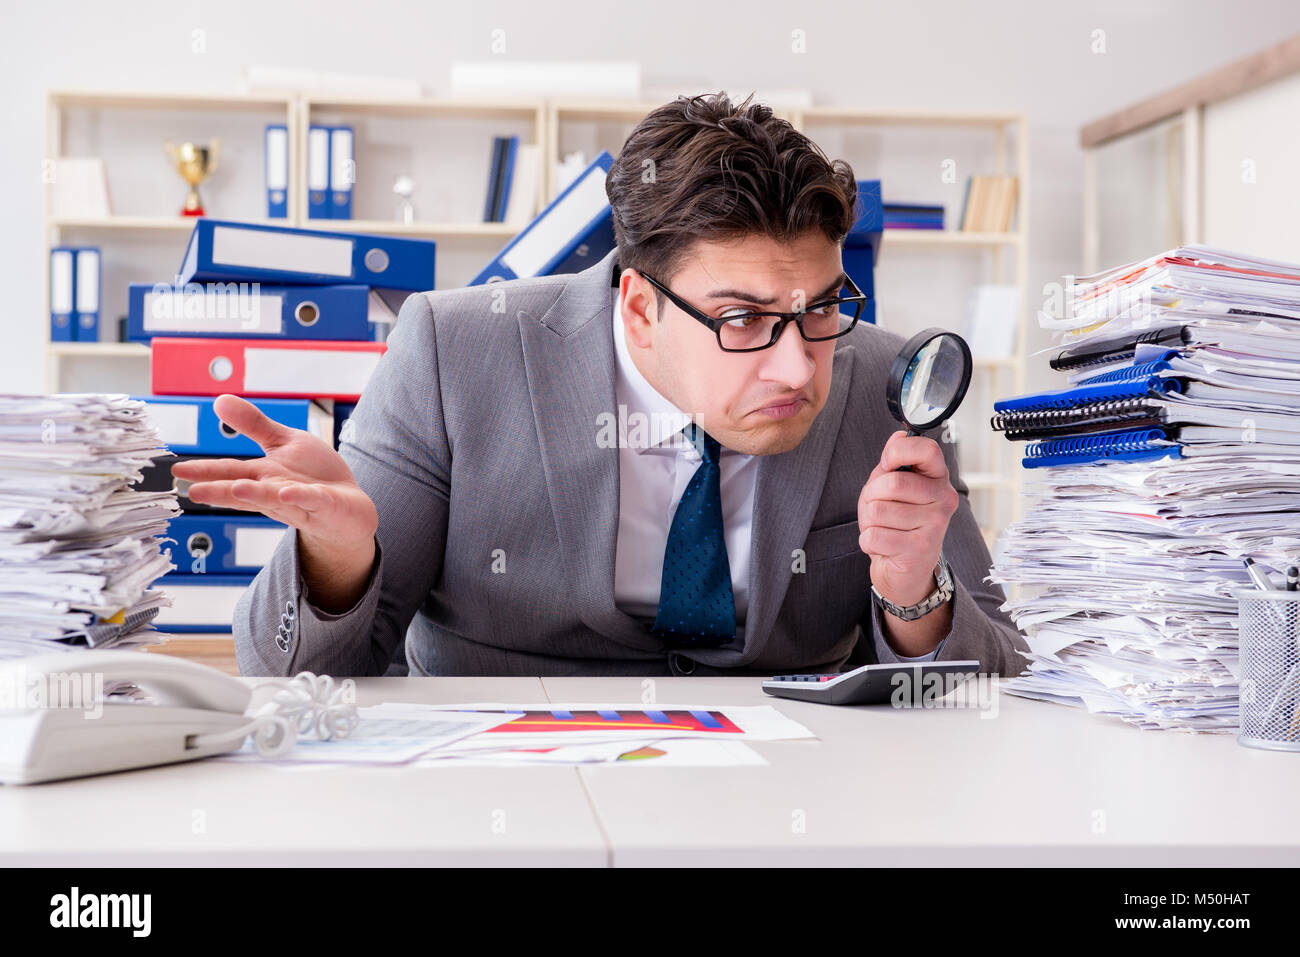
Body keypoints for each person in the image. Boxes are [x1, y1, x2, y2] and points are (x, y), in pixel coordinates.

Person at [175, 91, 1029, 678]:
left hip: (785, 805)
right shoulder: (452, 352)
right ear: (639, 307)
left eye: (819, 308)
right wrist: (334, 563)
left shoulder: (885, 379)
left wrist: (915, 594)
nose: (799, 365)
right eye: (742, 318)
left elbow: (992, 672)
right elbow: (289, 673)